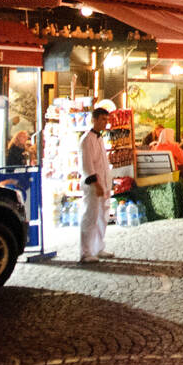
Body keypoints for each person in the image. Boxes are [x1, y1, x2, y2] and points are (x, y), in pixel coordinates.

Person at [79, 107, 113, 263]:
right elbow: (87, 165)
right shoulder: (87, 140)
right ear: (94, 119)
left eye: (107, 120)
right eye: (102, 119)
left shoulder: (99, 139)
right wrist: (97, 183)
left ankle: (98, 247)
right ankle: (85, 251)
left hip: (104, 184)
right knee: (90, 216)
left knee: (102, 216)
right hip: (94, 185)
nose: (105, 123)